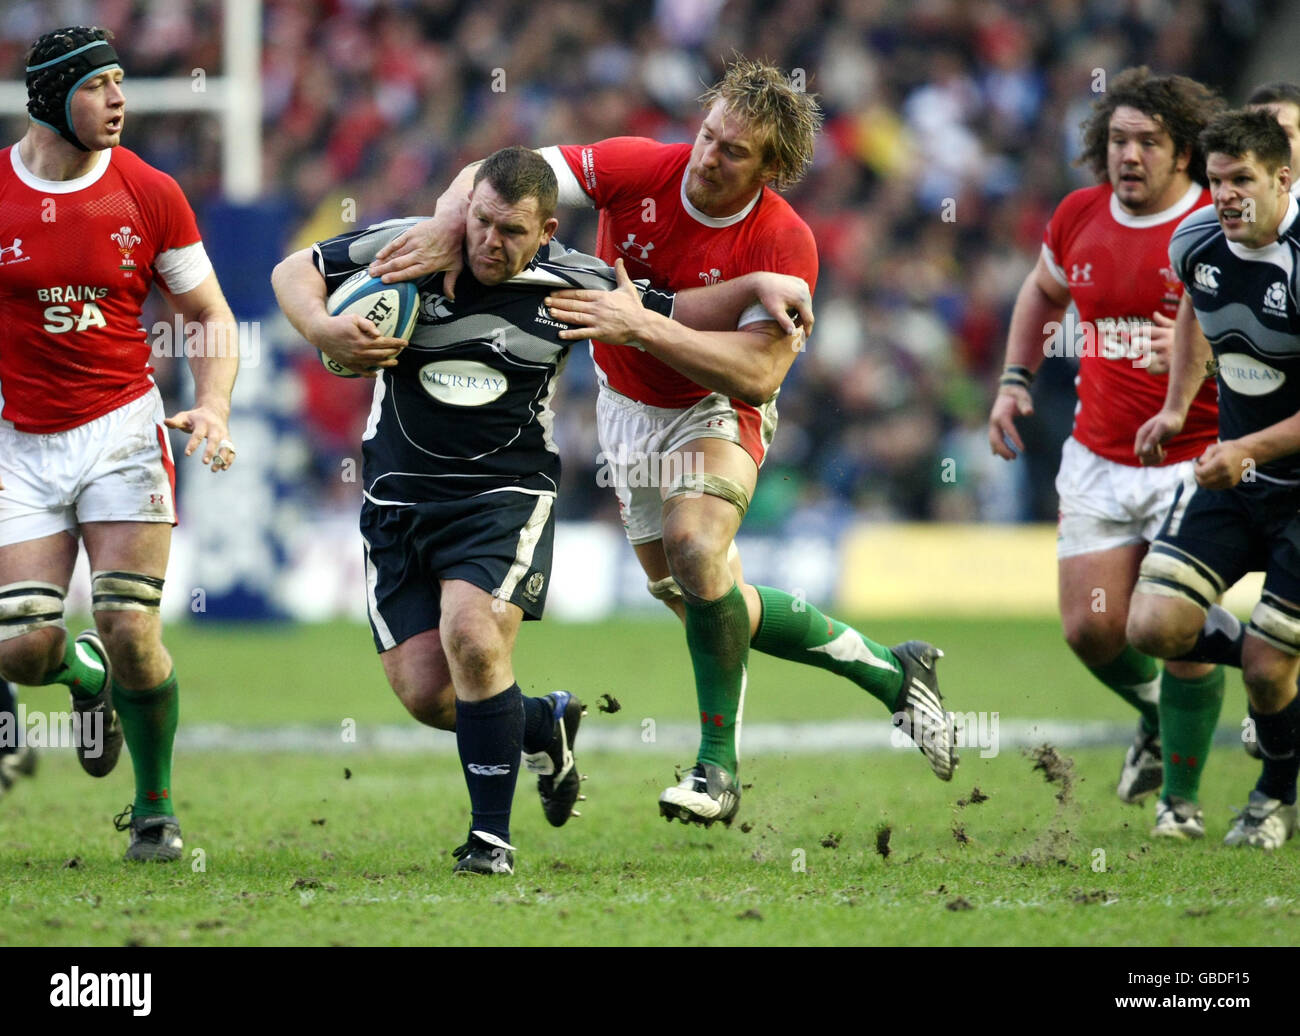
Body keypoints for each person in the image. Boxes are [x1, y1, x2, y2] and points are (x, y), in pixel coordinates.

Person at [368, 57, 957, 829]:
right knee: (703, 602)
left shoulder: (784, 241)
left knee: (695, 546)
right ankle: (891, 670)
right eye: (709, 134)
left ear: (771, 168)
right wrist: (451, 224)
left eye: (734, 151)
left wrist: (643, 324)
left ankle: (718, 769)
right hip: (624, 407)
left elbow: (756, 374)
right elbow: (500, 170)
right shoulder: (639, 167)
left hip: (714, 404)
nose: (709, 155)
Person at [272, 145, 814, 872]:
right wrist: (320, 327)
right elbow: (294, 271)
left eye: (512, 231)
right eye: (483, 223)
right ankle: (542, 722)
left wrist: (757, 284)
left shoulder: (572, 284)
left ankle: (489, 841)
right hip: (397, 496)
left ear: (548, 231)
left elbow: (674, 310)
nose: (491, 243)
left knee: (473, 636)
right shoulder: (411, 247)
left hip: (504, 494)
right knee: (429, 694)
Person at [0, 27, 239, 861]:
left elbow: (209, 315)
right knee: (26, 649)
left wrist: (211, 403)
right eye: (99, 85)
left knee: (130, 625)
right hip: (20, 441)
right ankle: (86, 684)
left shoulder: (148, 191)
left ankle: (155, 811)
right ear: (52, 97)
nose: (118, 100)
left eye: (121, 83)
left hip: (123, 430)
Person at [986, 67, 1232, 838]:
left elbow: (1271, 335)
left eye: (1148, 142)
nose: (1129, 155)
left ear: (1184, 152)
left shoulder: (1218, 223)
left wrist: (1204, 351)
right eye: (1118, 140)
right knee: (1093, 630)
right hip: (1098, 454)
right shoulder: (1079, 216)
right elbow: (1040, 291)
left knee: (1173, 629)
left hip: (1197, 458)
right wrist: (1013, 380)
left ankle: (1180, 806)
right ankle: (1159, 715)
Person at [1129, 109, 1300, 849]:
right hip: (1236, 479)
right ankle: (1278, 654)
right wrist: (1177, 406)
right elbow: (1199, 311)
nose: (1224, 196)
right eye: (1214, 180)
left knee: (1266, 673)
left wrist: (1250, 446)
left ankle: (1270, 797)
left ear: (1283, 179)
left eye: (1241, 182)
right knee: (1154, 626)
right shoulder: (1196, 239)